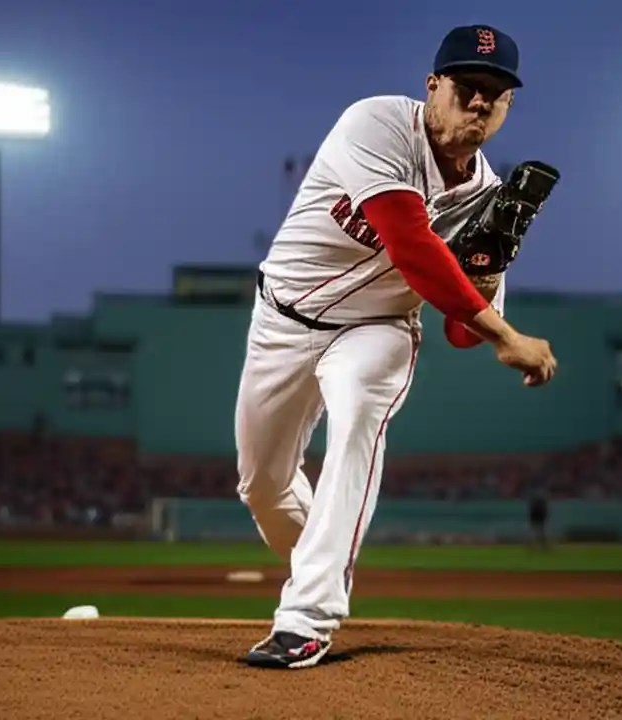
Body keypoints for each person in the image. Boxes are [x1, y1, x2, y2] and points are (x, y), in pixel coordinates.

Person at [236, 24, 558, 669]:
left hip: (374, 331)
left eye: (494, 95)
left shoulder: (490, 205)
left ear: (507, 109)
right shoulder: (377, 124)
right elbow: (411, 246)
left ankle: (307, 617)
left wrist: (490, 267)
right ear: (432, 86)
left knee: (358, 424)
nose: (478, 103)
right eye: (467, 87)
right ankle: (326, 566)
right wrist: (509, 336)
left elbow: (460, 332)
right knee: (263, 488)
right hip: (280, 320)